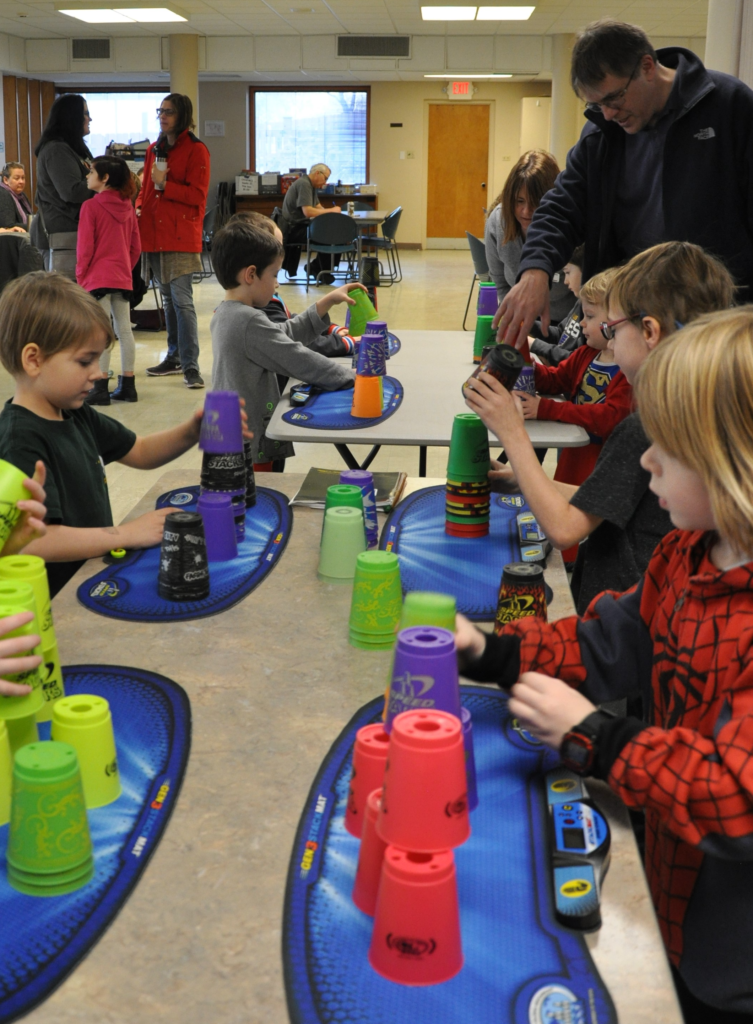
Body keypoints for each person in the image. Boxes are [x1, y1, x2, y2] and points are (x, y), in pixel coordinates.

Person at [456, 309, 753, 1022]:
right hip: (669, 886)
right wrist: (493, 653)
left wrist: (597, 735)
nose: (644, 460)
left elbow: (736, 799)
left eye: (666, 449)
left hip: (733, 955)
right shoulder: (685, 553)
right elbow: (607, 642)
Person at [466, 242, 734, 613]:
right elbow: (611, 501)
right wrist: (522, 479)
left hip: (621, 615)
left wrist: (511, 432)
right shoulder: (707, 410)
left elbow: (564, 529)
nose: (607, 336)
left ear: (650, 331)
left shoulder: (647, 428)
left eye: (612, 327)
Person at [496, 19, 753, 348]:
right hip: (628, 320)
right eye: (597, 104)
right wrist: (535, 270)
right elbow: (562, 206)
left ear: (647, 66)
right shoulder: (602, 132)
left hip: (715, 320)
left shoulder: (729, 106)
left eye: (614, 98)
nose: (607, 114)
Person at [0, 272, 243, 598]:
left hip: (88, 580)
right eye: (85, 361)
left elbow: (139, 451)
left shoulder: (73, 412)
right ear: (33, 359)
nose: (99, 373)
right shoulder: (20, 441)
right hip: (57, 603)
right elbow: (36, 540)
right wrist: (123, 534)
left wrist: (190, 432)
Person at [210, 218, 359, 471]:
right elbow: (297, 358)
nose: (277, 283)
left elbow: (282, 333)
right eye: (274, 274)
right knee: (260, 502)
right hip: (249, 442)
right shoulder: (247, 320)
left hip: (228, 435)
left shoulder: (226, 313)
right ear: (251, 274)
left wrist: (325, 303)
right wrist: (354, 379)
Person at [517, 266, 631, 562]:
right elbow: (556, 379)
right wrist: (524, 361)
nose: (580, 323)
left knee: (588, 525)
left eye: (590, 317)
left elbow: (608, 418)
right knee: (562, 510)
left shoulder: (629, 373)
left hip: (600, 461)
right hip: (573, 456)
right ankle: (566, 562)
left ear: (615, 323)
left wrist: (546, 408)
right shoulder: (586, 354)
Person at [138, 93, 210, 389]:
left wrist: (166, 185)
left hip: (180, 236)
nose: (162, 116)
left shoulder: (196, 150)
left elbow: (197, 197)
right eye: (160, 111)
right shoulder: (154, 148)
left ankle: (191, 366)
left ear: (182, 116)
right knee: (167, 300)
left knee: (182, 302)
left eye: (168, 112)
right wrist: (139, 205)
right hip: (153, 234)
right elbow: (145, 186)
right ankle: (174, 356)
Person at [227, 212, 355, 361]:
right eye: (276, 247)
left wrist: (329, 328)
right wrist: (344, 344)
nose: (281, 254)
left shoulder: (262, 295)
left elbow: (289, 322)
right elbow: (295, 345)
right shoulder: (260, 306)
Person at [76, 156, 141, 406]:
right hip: (122, 278)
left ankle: (99, 387)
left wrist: (82, 278)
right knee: (124, 330)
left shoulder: (90, 207)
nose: (87, 176)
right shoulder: (127, 206)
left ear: (105, 178)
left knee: (100, 333)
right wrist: (124, 268)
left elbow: (85, 249)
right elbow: (136, 247)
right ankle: (128, 385)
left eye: (91, 172)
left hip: (96, 279)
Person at [484, 151, 571, 325]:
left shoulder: (570, 223)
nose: (526, 211)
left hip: (569, 325)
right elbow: (500, 283)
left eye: (535, 202)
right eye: (519, 201)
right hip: (524, 321)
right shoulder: (498, 222)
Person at [31, 94, 95, 278]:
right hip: (61, 234)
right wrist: (102, 179)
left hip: (72, 232)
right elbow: (72, 192)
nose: (90, 119)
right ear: (71, 117)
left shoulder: (73, 148)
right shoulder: (56, 149)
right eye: (85, 113)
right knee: (65, 299)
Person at [278, 163, 341, 284]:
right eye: (326, 178)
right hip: (294, 229)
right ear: (317, 173)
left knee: (336, 231)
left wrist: (331, 216)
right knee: (332, 235)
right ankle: (318, 268)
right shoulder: (304, 184)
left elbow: (318, 207)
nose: (326, 182)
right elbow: (308, 212)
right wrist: (333, 210)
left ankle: (319, 268)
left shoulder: (310, 186)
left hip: (301, 226)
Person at [529, 245, 585, 365]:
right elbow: (560, 334)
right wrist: (529, 323)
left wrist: (533, 344)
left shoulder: (594, 312)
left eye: (568, 272)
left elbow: (574, 361)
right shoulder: (580, 302)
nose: (565, 281)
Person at [0, 162, 32, 231]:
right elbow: (8, 225)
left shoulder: (22, 196)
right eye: (17, 178)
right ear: (6, 180)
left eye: (23, 178)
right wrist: (34, 226)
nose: (21, 181)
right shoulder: (3, 194)